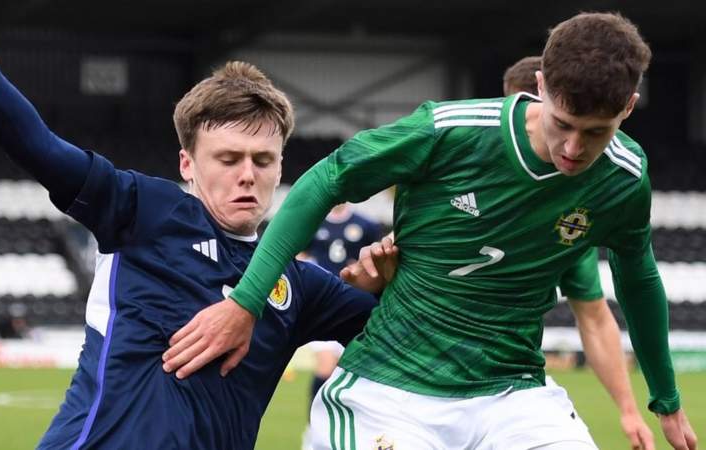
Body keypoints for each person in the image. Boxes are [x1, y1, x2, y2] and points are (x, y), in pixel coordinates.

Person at [164, 12, 698, 449]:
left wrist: (666, 401)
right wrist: (246, 302)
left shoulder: (626, 178)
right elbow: (327, 179)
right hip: (391, 390)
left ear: (628, 109)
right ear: (540, 87)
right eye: (563, 124)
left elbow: (638, 277)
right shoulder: (450, 131)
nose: (574, 150)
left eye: (596, 133)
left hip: (512, 395)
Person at [0, 2, 396, 449]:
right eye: (228, 158)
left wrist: (385, 283)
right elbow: (40, 147)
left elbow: (413, 326)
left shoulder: (298, 284)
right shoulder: (145, 212)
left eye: (262, 160)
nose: (247, 174)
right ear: (187, 164)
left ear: (281, 166)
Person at [505, 54, 655, 449]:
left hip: (507, 390)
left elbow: (594, 316)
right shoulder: (456, 177)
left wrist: (628, 408)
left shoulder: (568, 226)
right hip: (413, 385)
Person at [296, 203, 382, 449]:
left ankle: (349, 433)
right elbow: (300, 255)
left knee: (353, 374)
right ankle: (313, 431)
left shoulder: (365, 224)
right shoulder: (315, 221)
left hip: (352, 306)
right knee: (324, 370)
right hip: (321, 306)